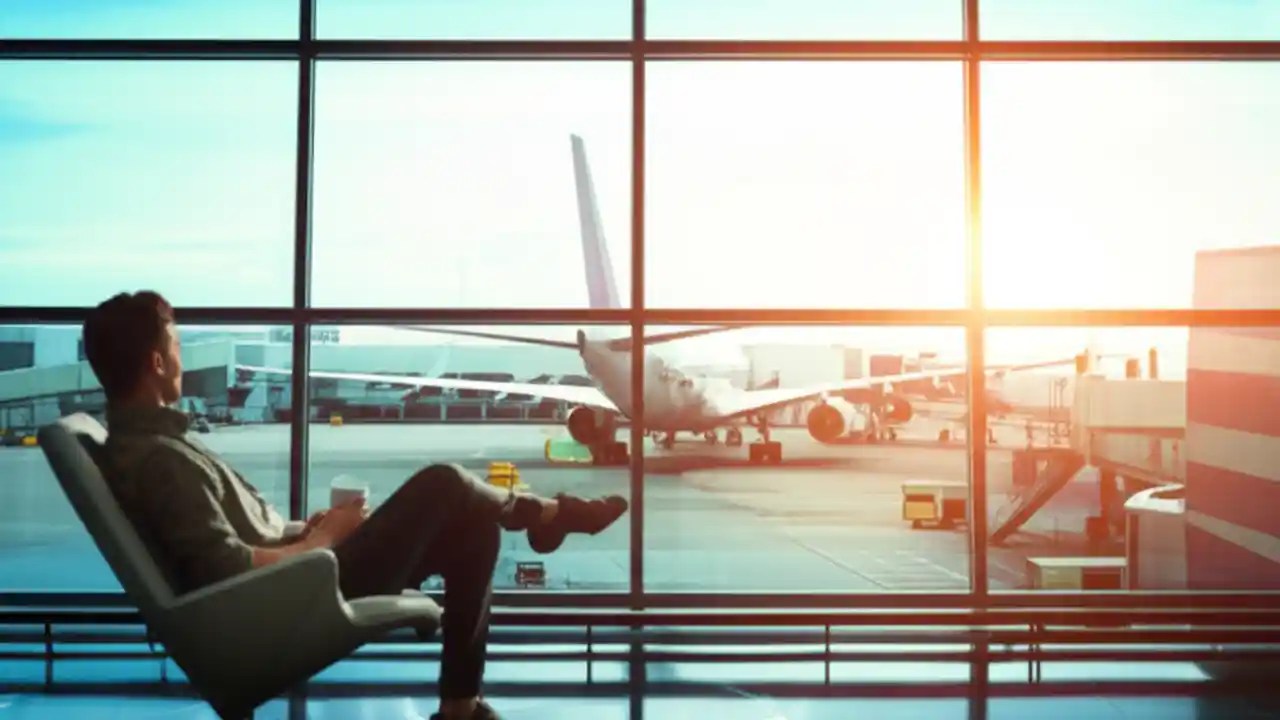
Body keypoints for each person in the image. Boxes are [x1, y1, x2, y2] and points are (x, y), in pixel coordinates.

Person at [82, 291, 628, 720]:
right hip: (300, 592)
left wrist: (306, 532)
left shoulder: (153, 447)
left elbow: (230, 548)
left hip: (298, 574)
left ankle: (460, 708)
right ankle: (551, 516)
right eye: (177, 344)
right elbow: (225, 567)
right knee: (444, 482)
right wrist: (323, 539)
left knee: (475, 530)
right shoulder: (158, 460)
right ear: (156, 361)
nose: (182, 356)